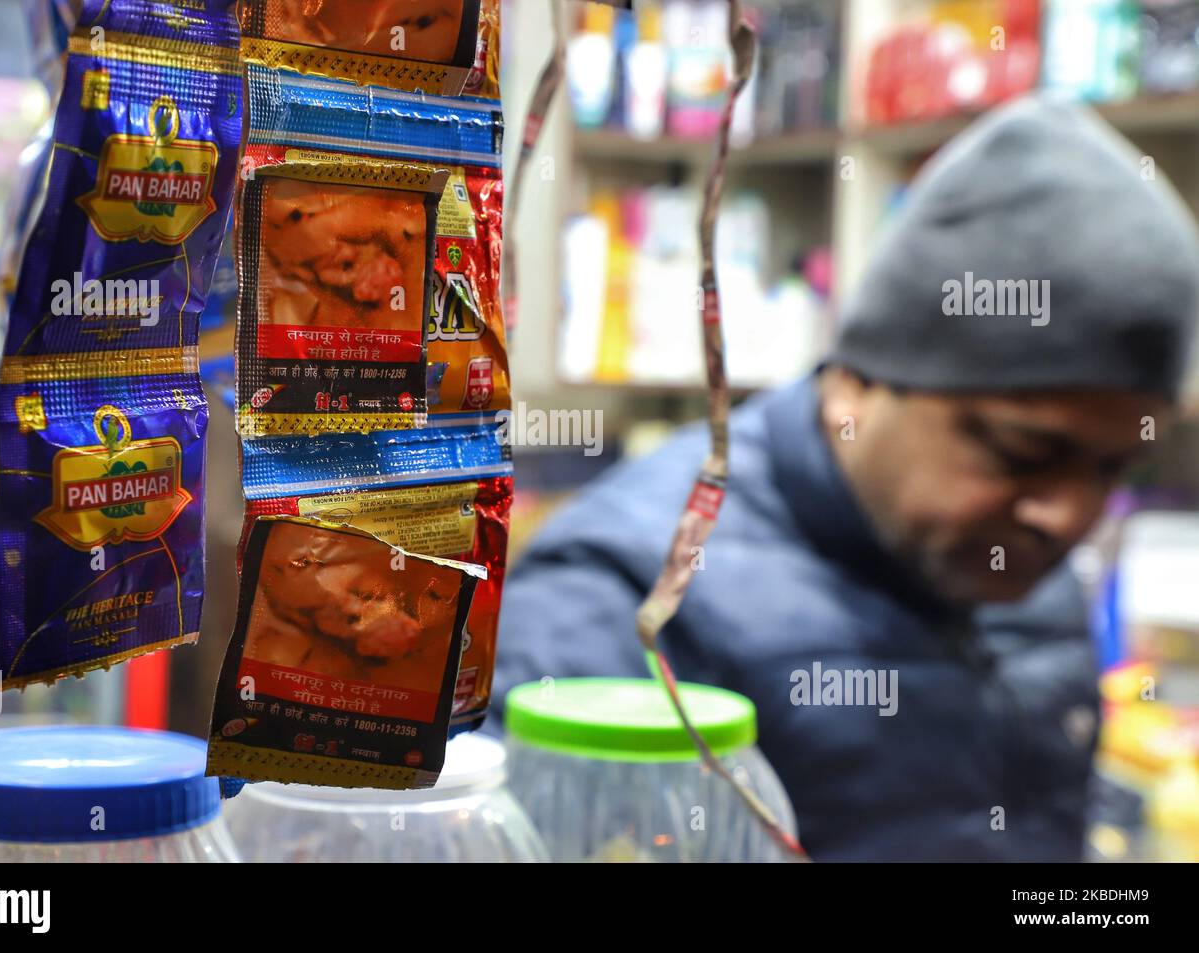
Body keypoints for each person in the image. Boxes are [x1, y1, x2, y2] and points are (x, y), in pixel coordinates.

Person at [490, 96, 1199, 861]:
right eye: (1020, 452)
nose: (1069, 515)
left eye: (1115, 465)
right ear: (857, 384)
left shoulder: (1012, 561)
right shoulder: (630, 597)